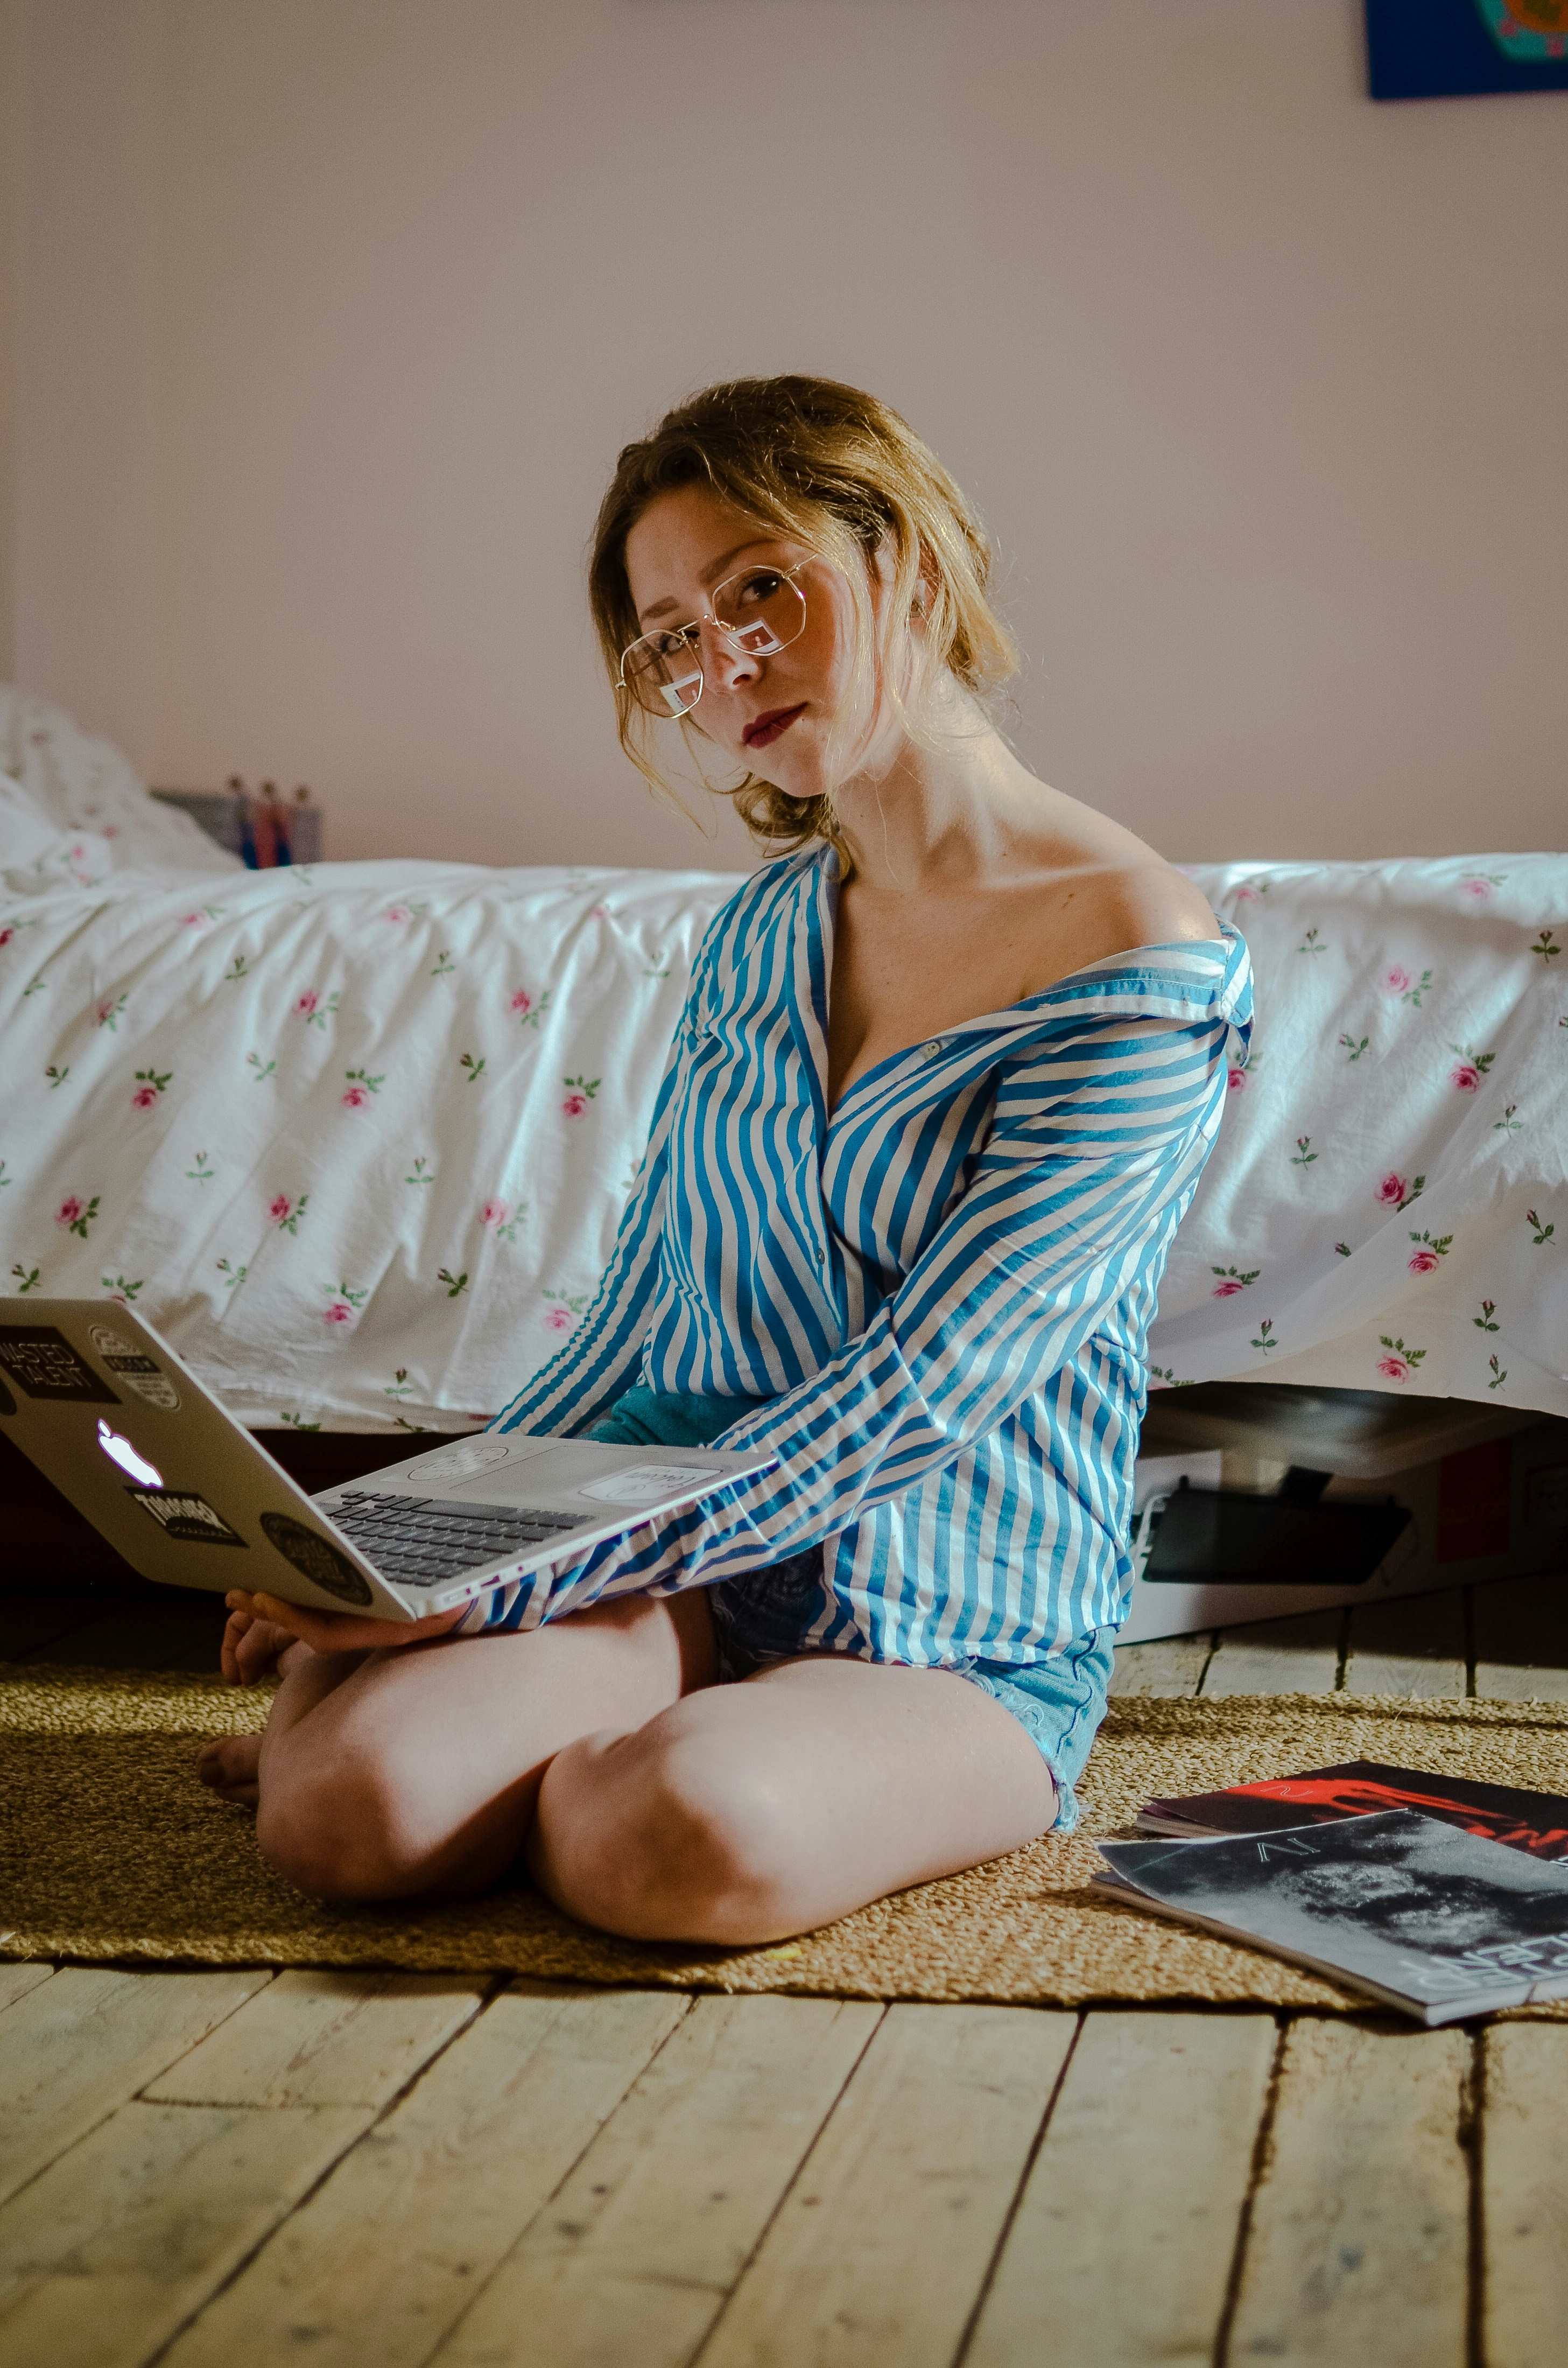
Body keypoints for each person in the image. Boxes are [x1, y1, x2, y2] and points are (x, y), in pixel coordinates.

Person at [199, 375, 1250, 1946]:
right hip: (678, 1584)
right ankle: (480, 1742)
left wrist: (487, 1599)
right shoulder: (761, 935)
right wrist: (413, 1536)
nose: (724, 658)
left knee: (670, 1836)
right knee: (346, 1815)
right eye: (673, 632)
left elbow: (932, 1383)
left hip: (949, 1631)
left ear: (900, 553)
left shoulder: (1137, 949)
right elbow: (644, 1322)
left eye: (763, 584)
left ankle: (572, 1765)